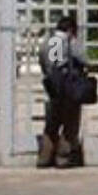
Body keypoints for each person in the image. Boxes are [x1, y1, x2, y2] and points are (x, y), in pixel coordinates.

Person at [38, 14, 88, 168]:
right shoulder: (67, 42)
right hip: (67, 89)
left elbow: (46, 64)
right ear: (71, 29)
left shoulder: (46, 42)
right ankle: (63, 157)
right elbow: (84, 59)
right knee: (70, 124)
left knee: (51, 125)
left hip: (52, 89)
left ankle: (44, 158)